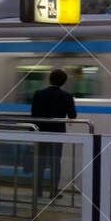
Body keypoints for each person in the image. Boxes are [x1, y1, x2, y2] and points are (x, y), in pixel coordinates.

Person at [31, 69, 77, 199]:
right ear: (64, 82)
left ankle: (38, 191)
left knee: (40, 161)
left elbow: (34, 115)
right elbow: (73, 115)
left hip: (41, 132)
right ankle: (53, 192)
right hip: (57, 133)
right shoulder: (67, 96)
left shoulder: (39, 94)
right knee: (55, 162)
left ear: (49, 79)